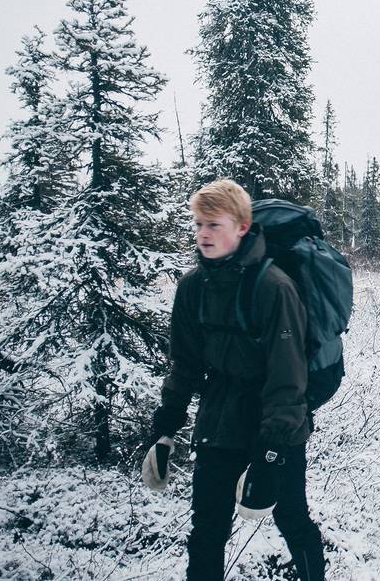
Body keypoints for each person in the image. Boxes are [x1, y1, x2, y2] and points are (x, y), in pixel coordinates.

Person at [141, 179, 325, 580]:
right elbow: (184, 363)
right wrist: (165, 428)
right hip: (219, 422)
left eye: (214, 224)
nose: (203, 234)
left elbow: (288, 379)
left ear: (242, 226)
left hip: (278, 425)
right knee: (207, 529)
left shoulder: (274, 288)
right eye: (198, 224)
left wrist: (270, 451)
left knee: (292, 519)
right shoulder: (192, 287)